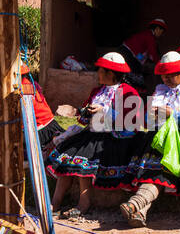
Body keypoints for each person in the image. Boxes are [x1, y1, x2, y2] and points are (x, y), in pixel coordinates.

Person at [119, 51, 180, 227]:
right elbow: (146, 119)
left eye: (171, 76)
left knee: (162, 168)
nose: (166, 79)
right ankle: (140, 211)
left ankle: (138, 202)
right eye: (164, 76)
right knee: (153, 168)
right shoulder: (159, 91)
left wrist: (173, 114)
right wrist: (153, 116)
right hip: (159, 139)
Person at [47, 51, 141, 217]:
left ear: (110, 73)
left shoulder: (129, 93)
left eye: (100, 70)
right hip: (93, 133)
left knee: (83, 158)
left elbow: (130, 122)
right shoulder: (98, 91)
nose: (97, 73)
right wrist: (84, 112)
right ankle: (54, 203)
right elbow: (84, 117)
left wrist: (104, 111)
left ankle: (84, 203)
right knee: (67, 155)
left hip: (114, 137)